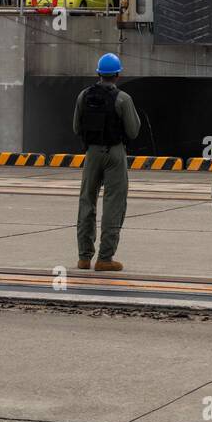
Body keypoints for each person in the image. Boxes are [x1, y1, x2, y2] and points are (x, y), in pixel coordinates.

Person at [72, 53, 141, 271]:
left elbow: (76, 128)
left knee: (86, 202)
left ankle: (84, 257)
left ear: (98, 73)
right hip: (114, 152)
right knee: (114, 204)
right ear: (118, 75)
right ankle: (105, 258)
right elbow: (133, 130)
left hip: (92, 153)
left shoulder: (84, 96)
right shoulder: (123, 99)